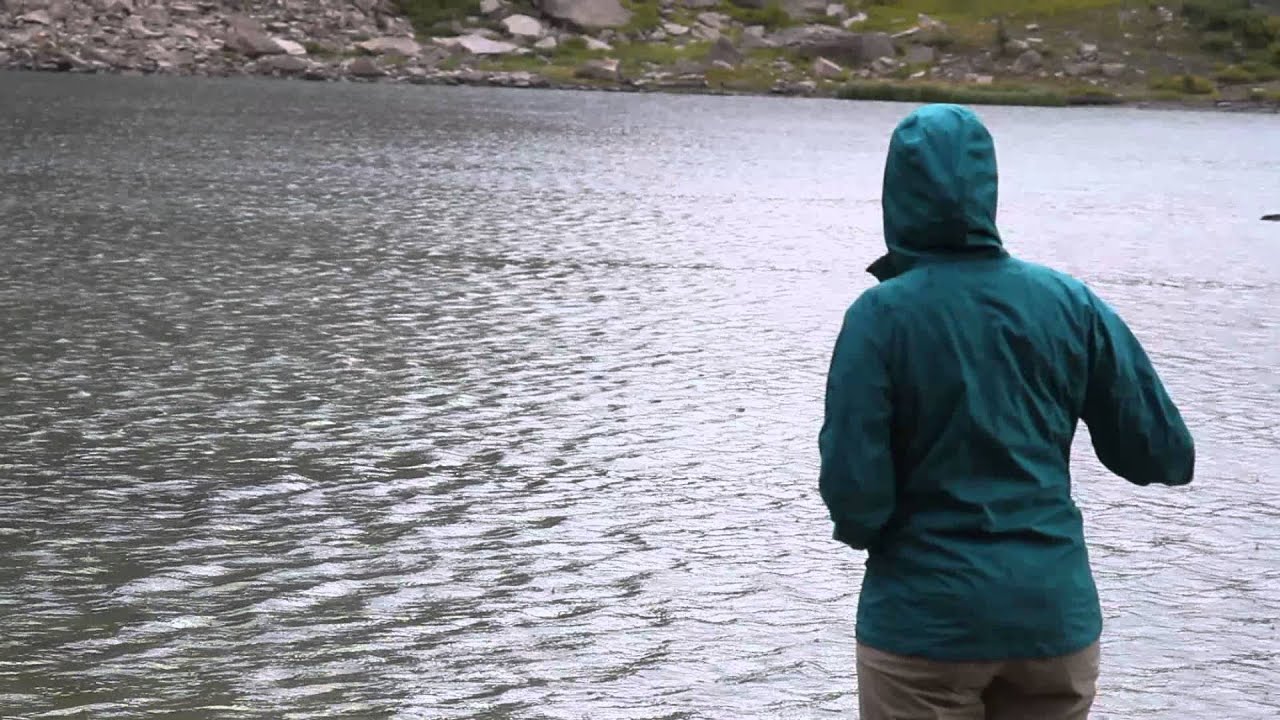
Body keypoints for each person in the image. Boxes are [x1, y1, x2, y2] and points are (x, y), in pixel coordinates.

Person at [817, 104, 1195, 720]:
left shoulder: (880, 316)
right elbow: (1162, 453)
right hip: (1052, 618)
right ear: (987, 188)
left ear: (896, 192)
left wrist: (873, 536)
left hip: (925, 624)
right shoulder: (1071, 303)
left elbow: (854, 488)